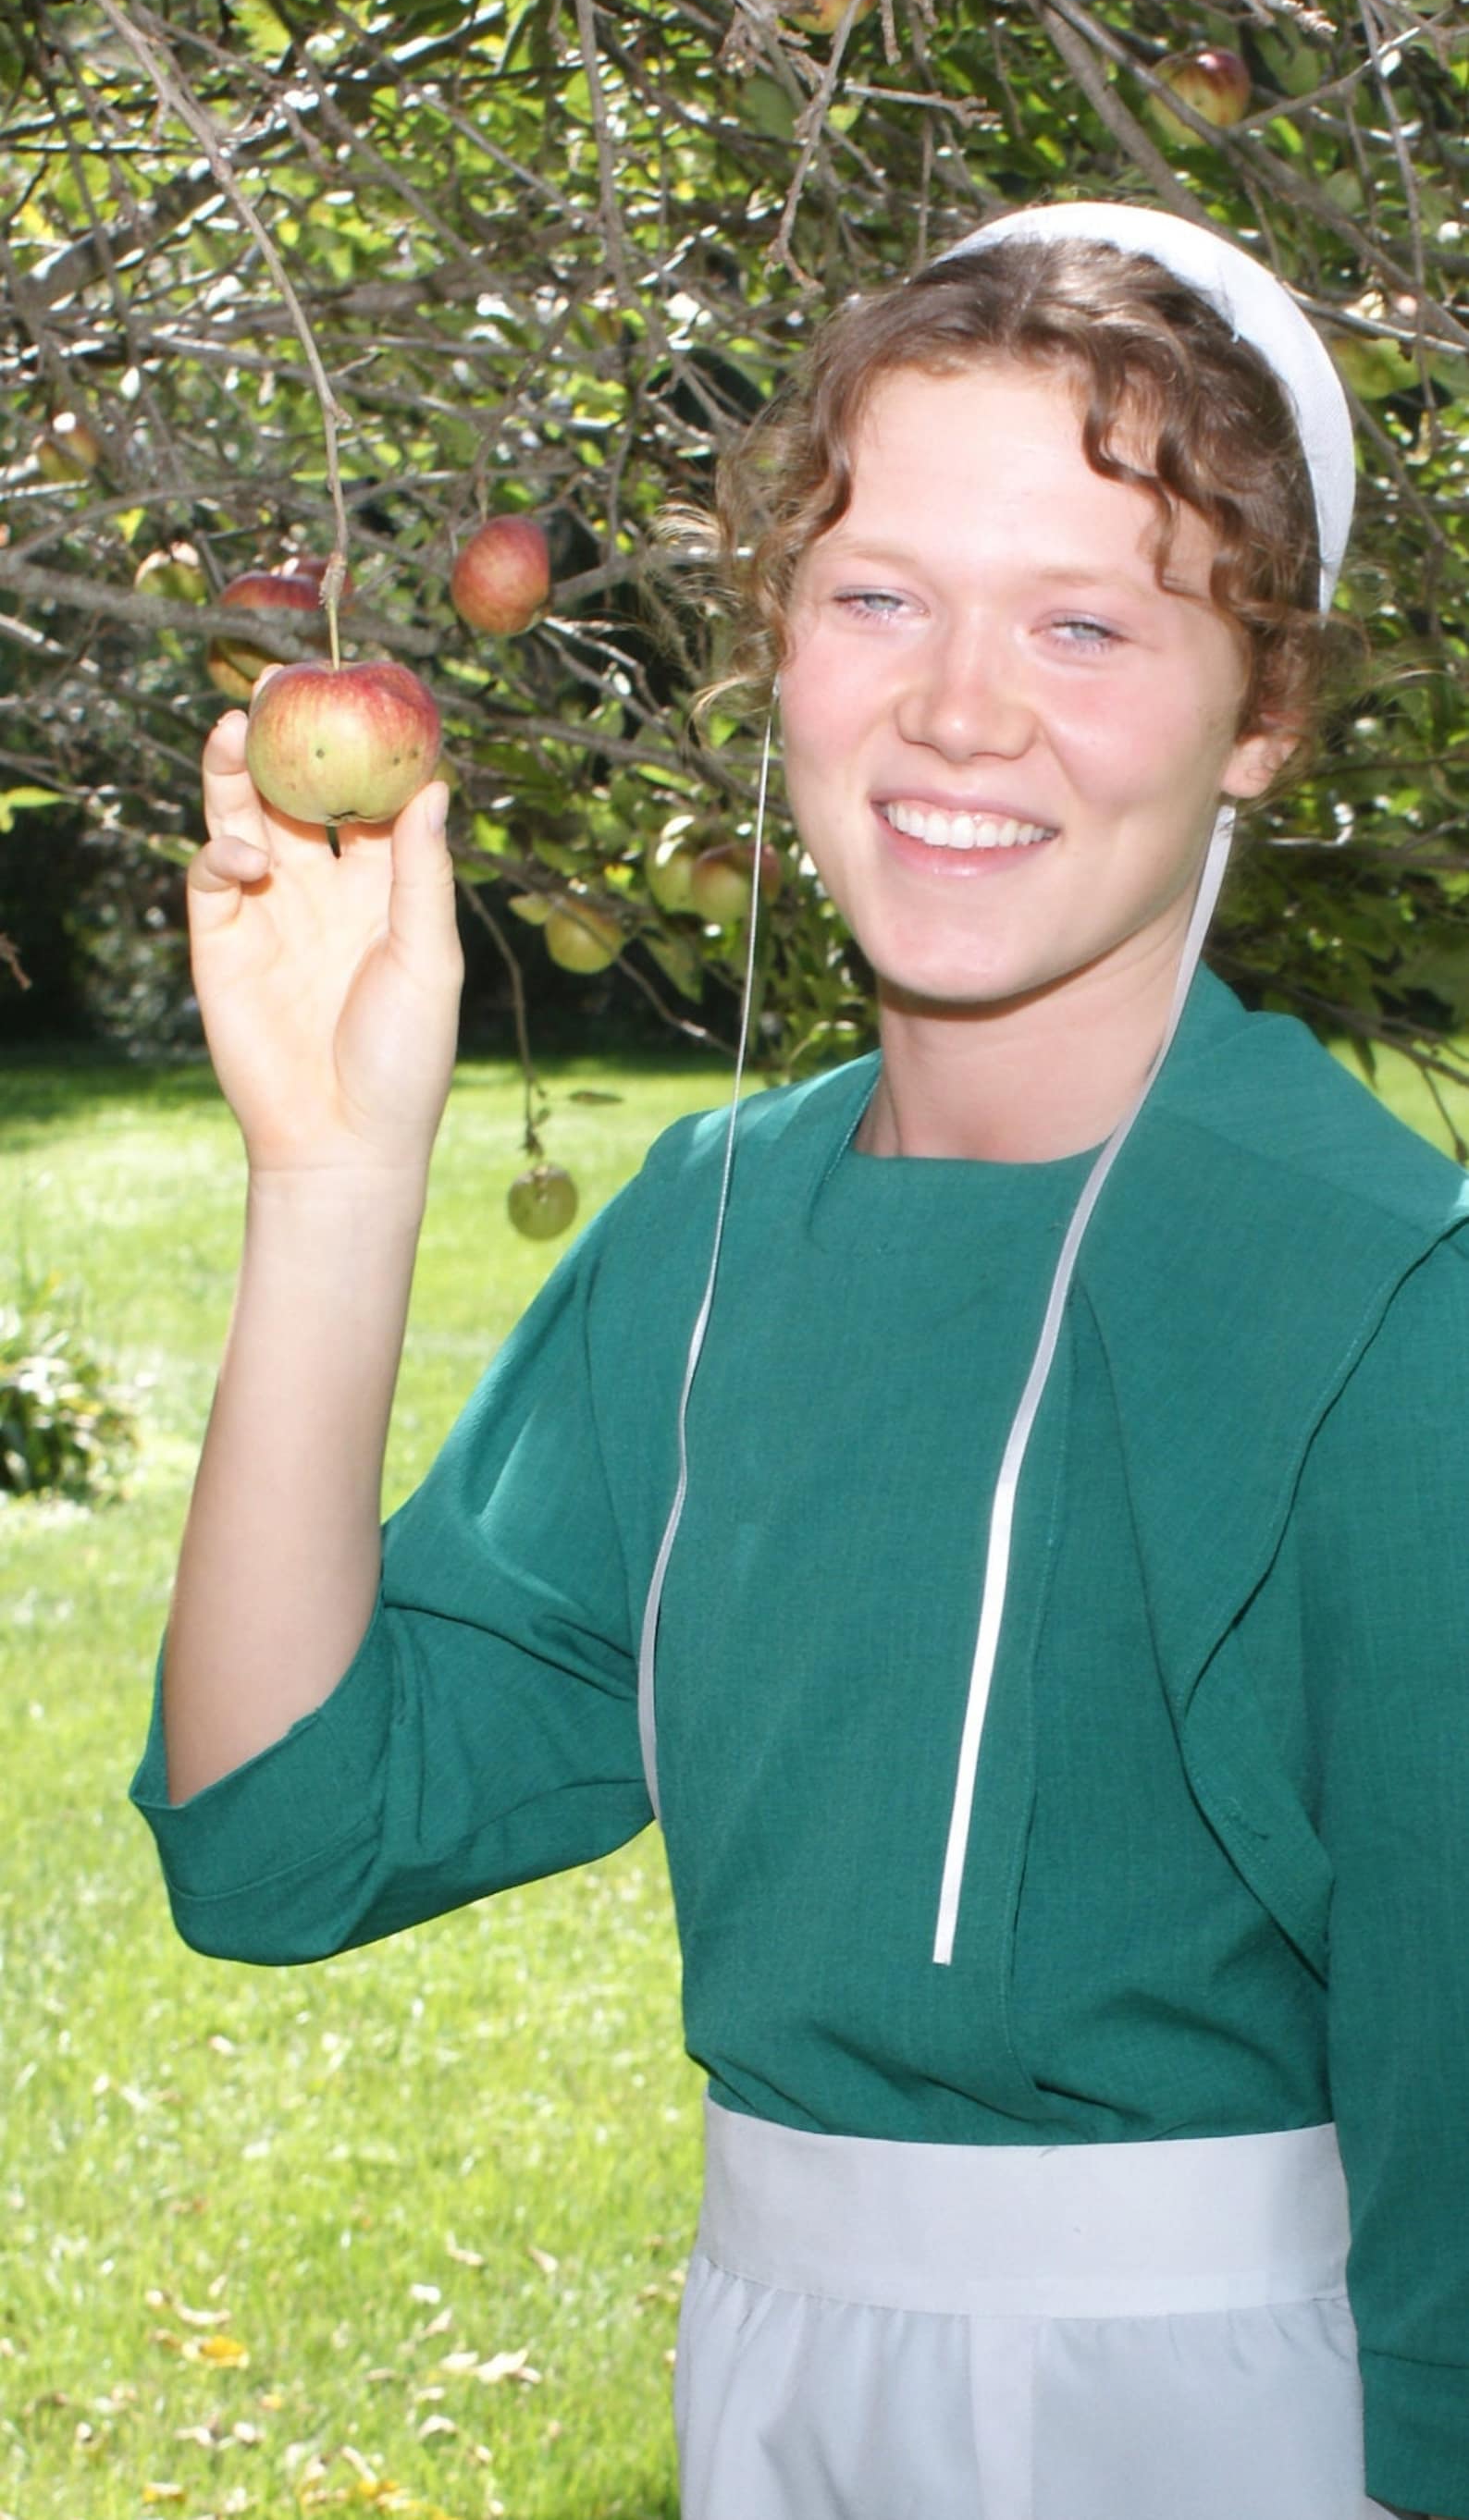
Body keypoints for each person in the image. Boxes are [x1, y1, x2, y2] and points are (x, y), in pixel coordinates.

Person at [131, 200, 1469, 2520]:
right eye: (877, 596)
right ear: (772, 645)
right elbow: (280, 1839)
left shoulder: (1382, 1304)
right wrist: (332, 1177)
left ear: (1259, 715)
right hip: (775, 2391)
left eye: (1083, 618)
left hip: (1238, 2424)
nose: (960, 707)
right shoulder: (708, 1234)